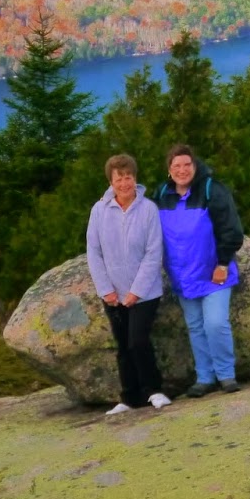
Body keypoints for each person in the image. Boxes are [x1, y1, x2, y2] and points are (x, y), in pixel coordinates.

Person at [155, 143, 245, 396]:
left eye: (187, 164)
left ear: (195, 166)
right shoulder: (161, 194)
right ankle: (205, 377)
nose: (182, 170)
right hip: (183, 276)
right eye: (176, 165)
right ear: (169, 169)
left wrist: (223, 263)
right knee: (195, 327)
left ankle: (226, 375)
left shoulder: (212, 190)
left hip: (214, 273)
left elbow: (231, 230)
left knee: (215, 323)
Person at [86, 153, 170, 415]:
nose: (124, 183)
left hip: (145, 293)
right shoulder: (99, 211)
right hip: (113, 293)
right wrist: (105, 290)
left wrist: (136, 291)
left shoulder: (148, 209)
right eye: (118, 179)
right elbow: (94, 252)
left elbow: (154, 253)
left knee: (138, 341)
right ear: (111, 182)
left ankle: (154, 391)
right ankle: (129, 397)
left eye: (128, 177)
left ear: (135, 178)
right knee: (123, 345)